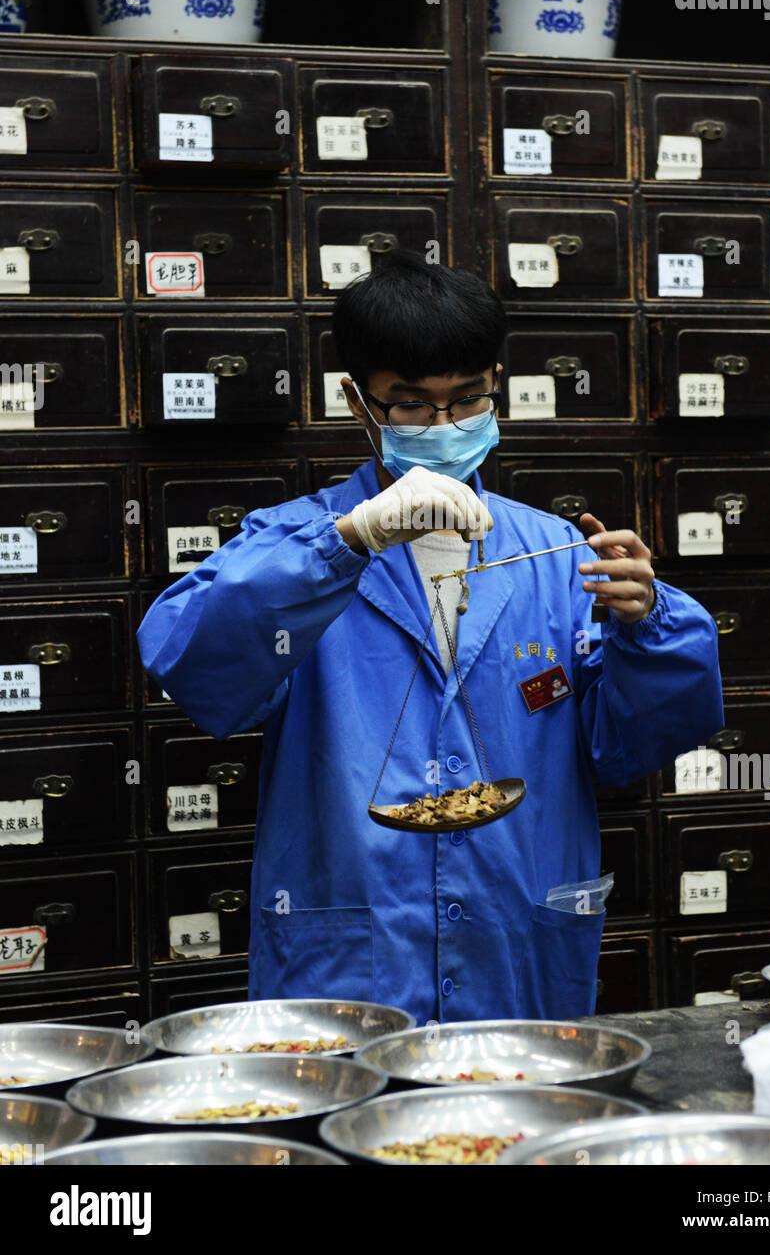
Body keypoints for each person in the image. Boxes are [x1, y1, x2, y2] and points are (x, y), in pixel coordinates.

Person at [136, 249, 724, 1024]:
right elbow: (193, 667)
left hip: (514, 933)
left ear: (495, 387)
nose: (441, 427)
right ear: (357, 402)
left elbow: (628, 748)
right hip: (354, 941)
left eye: (465, 400)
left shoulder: (555, 556)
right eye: (409, 404)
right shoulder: (293, 544)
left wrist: (647, 629)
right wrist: (343, 544)